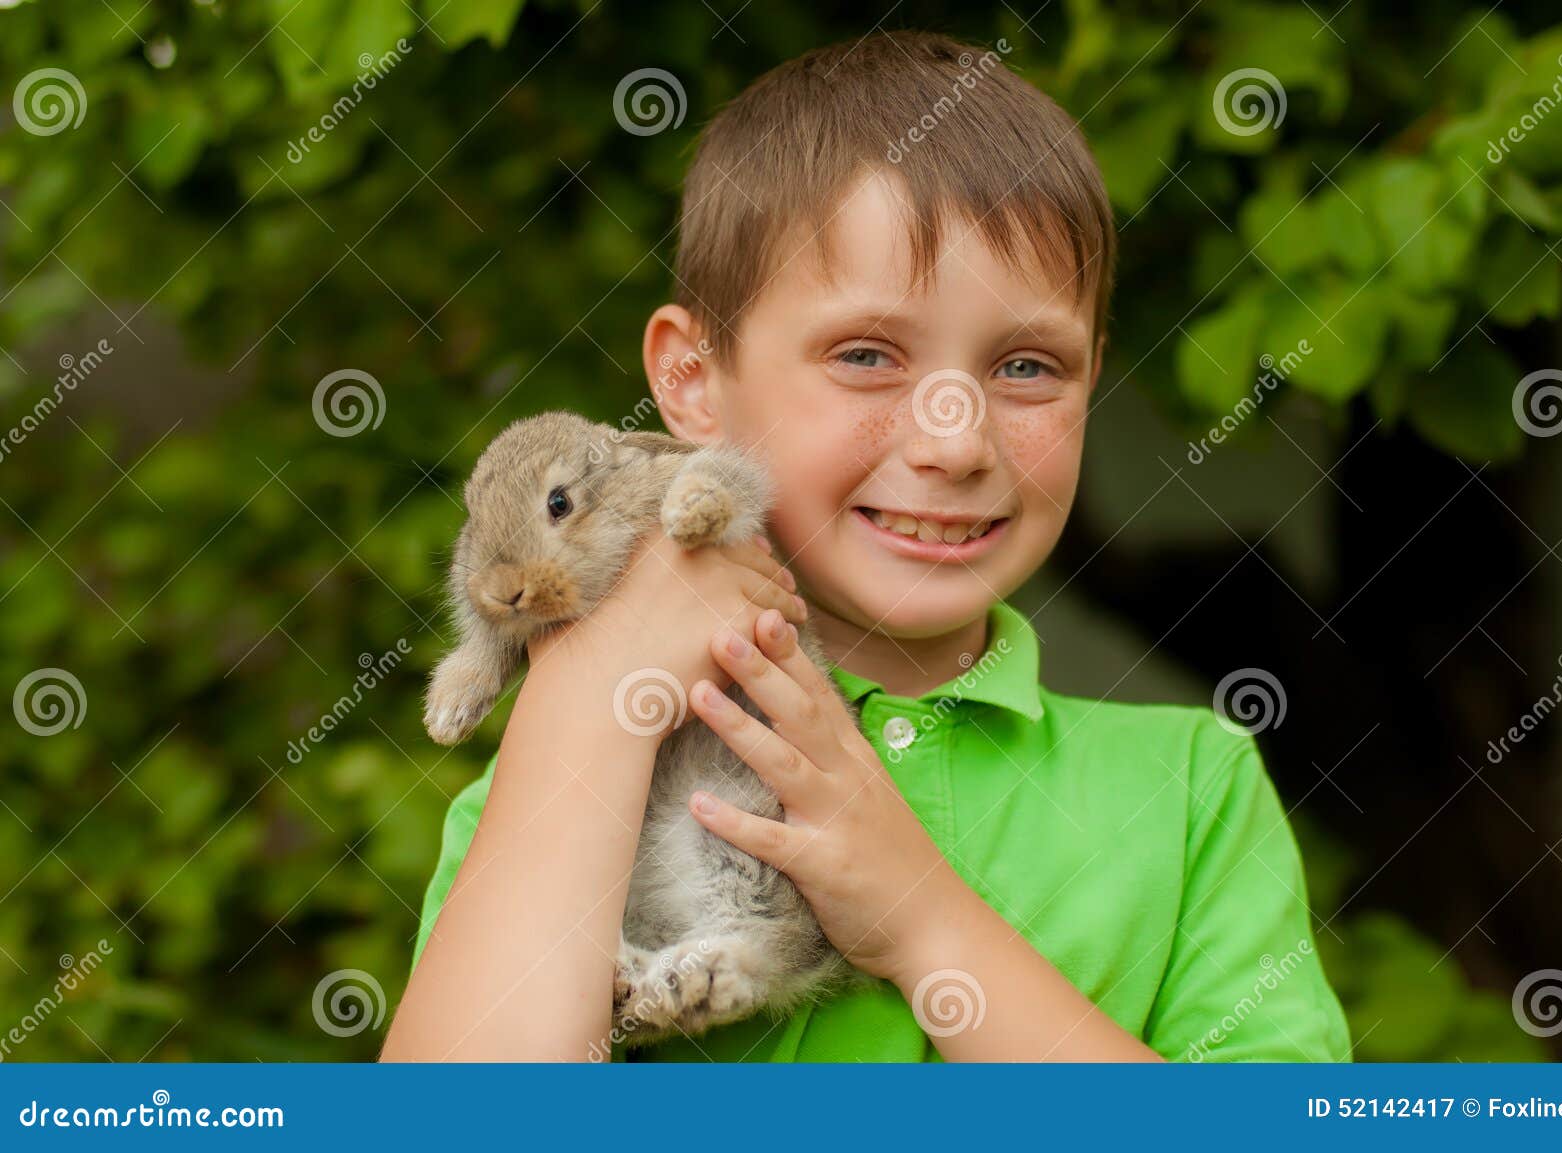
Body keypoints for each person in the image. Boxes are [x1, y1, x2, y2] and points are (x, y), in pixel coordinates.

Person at [382, 30, 1350, 1062]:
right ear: (692, 379)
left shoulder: (1189, 789)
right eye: (865, 355)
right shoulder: (569, 774)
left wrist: (921, 919)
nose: (954, 440)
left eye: (1026, 366)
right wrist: (585, 704)